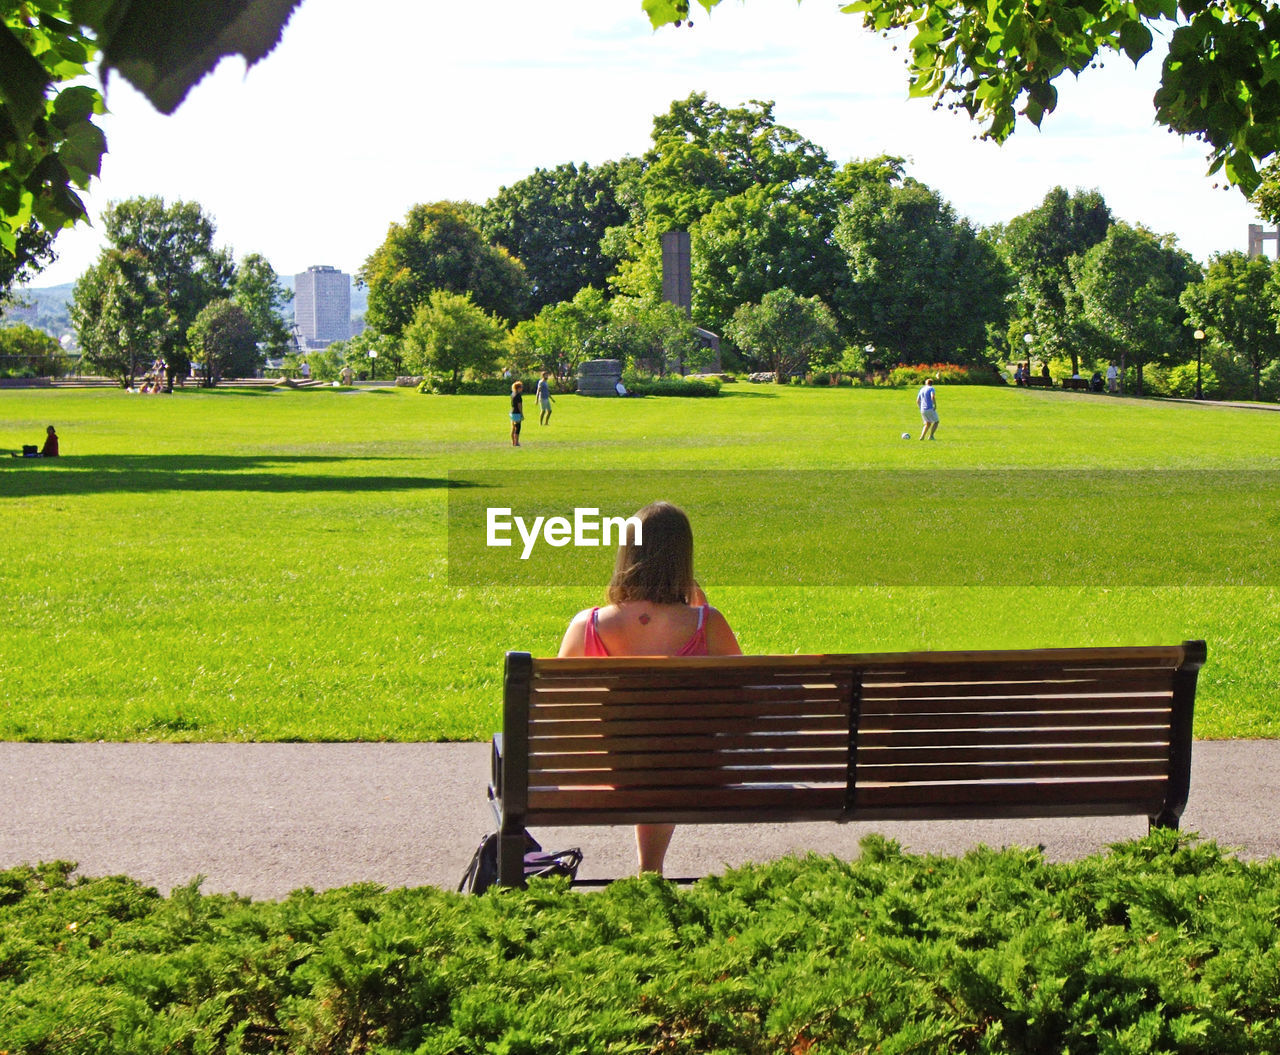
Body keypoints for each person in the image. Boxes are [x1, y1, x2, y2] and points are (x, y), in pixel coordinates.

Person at [557, 501, 741, 875]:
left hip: (604, 771)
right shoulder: (709, 624)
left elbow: (555, 713)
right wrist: (701, 606)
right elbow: (745, 697)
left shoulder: (586, 625)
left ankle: (649, 871)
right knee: (666, 746)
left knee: (641, 744)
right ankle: (650, 871)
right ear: (683, 561)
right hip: (688, 771)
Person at [509, 380, 524, 447]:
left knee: (513, 428)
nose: (522, 388)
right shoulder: (518, 395)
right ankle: (516, 442)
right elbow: (519, 405)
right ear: (518, 388)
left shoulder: (512, 394)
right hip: (517, 413)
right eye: (521, 387)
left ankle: (513, 442)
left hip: (512, 412)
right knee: (517, 428)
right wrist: (521, 414)